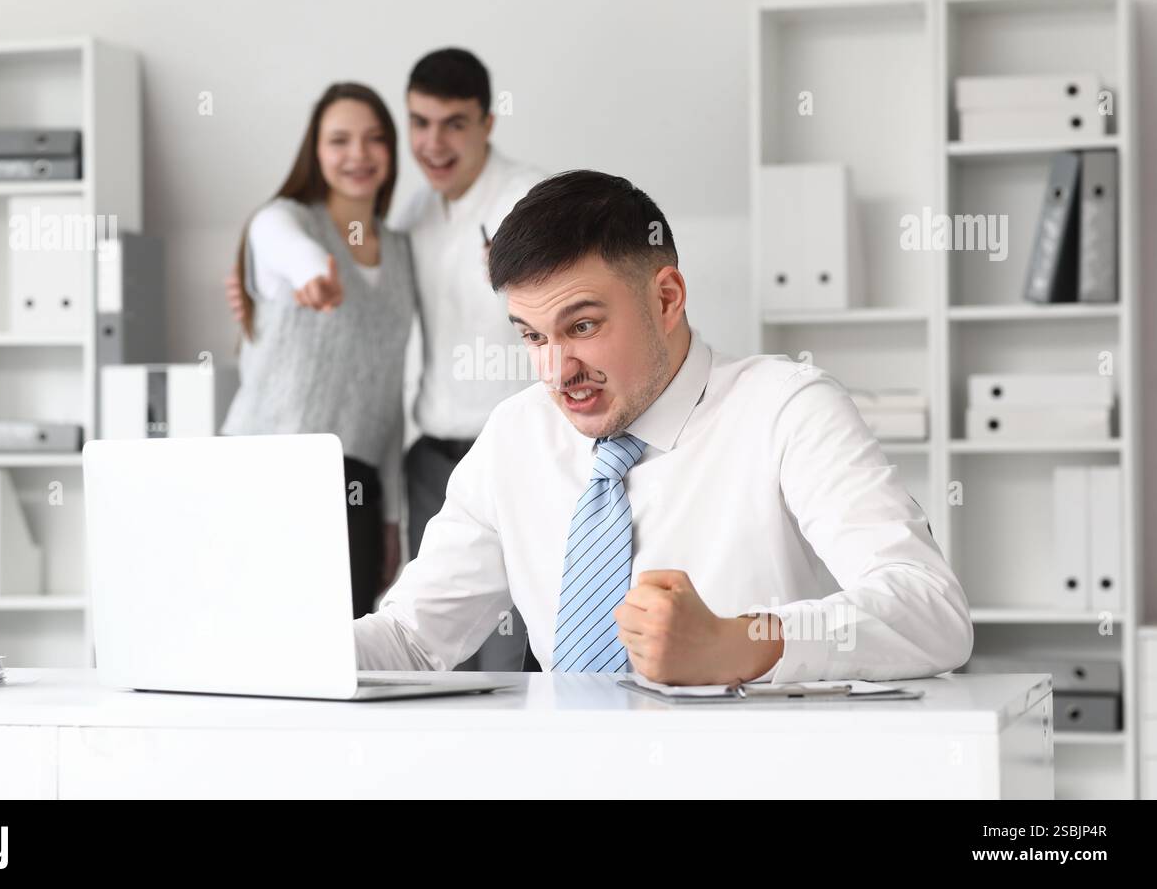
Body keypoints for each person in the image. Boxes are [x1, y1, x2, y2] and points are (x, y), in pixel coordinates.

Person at [353, 170, 974, 683]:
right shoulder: (515, 435)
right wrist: (293, 656)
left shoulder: (786, 409)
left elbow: (932, 611)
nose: (556, 371)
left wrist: (748, 642)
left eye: (583, 327)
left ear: (667, 298)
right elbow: (412, 636)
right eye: (533, 337)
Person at [225, 49, 545, 670]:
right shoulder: (406, 218)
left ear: (487, 122)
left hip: (496, 450)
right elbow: (281, 246)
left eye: (454, 122)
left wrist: (517, 276)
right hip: (411, 461)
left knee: (500, 657)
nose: (434, 141)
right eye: (420, 122)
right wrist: (290, 275)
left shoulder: (526, 201)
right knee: (410, 651)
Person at [221, 82, 415, 619]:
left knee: (340, 652)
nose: (358, 154)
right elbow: (291, 251)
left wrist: (392, 517)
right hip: (266, 465)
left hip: (355, 483)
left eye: (375, 139)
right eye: (339, 140)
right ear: (316, 150)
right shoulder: (284, 220)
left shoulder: (401, 251)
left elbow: (390, 389)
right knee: (255, 637)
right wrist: (312, 274)